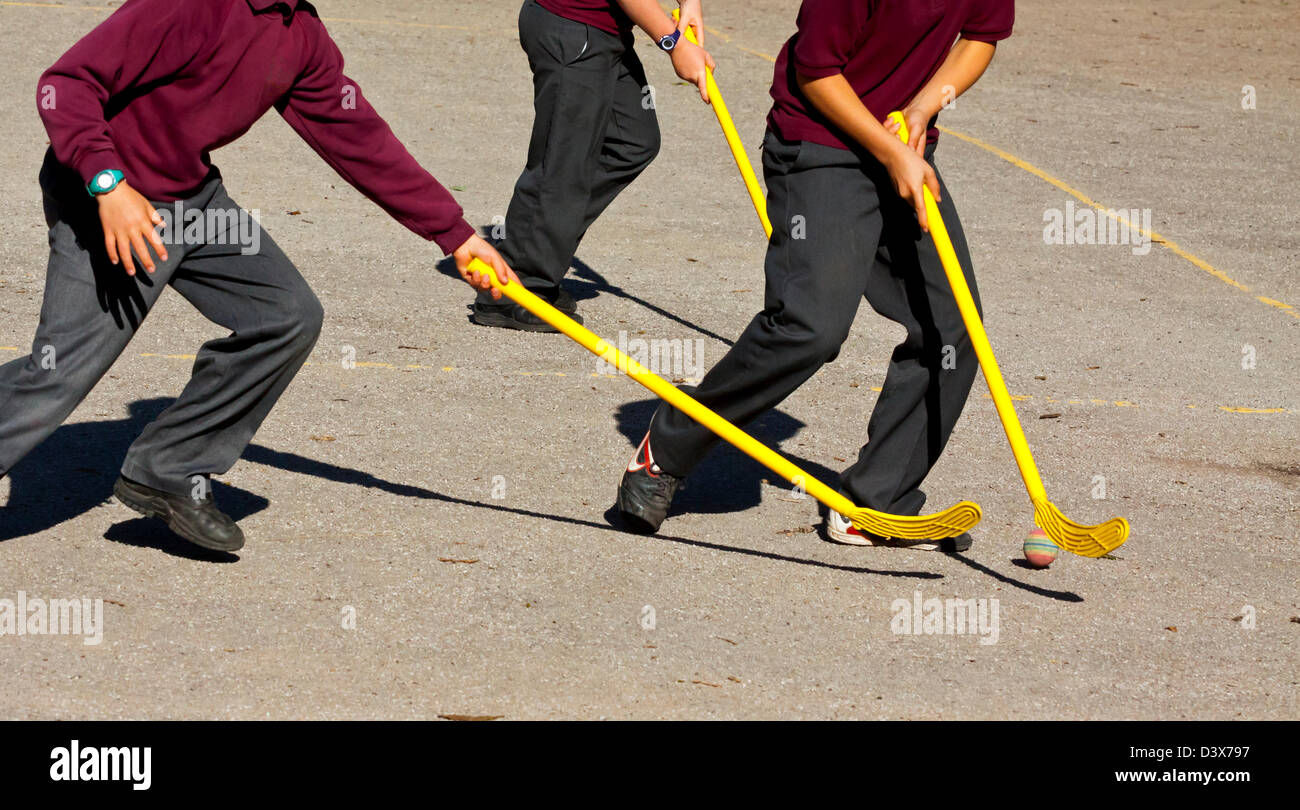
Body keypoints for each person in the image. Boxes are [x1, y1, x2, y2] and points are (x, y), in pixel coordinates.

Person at [0, 0, 518, 553]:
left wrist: (455, 234)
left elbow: (356, 136)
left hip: (194, 200)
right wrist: (107, 184)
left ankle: (169, 468)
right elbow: (67, 83)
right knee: (58, 373)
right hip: (110, 202)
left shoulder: (299, 30)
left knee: (286, 317)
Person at [616, 0, 1014, 551]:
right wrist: (889, 151)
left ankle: (875, 502)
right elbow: (817, 72)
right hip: (821, 145)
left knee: (953, 328)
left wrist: (921, 111)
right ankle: (666, 450)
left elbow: (981, 35)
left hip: (901, 142)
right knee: (810, 327)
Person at [470, 0, 714, 331]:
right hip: (573, 29)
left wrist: (690, 4)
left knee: (631, 142)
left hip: (605, 33)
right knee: (562, 164)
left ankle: (532, 249)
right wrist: (673, 43)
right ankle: (514, 290)